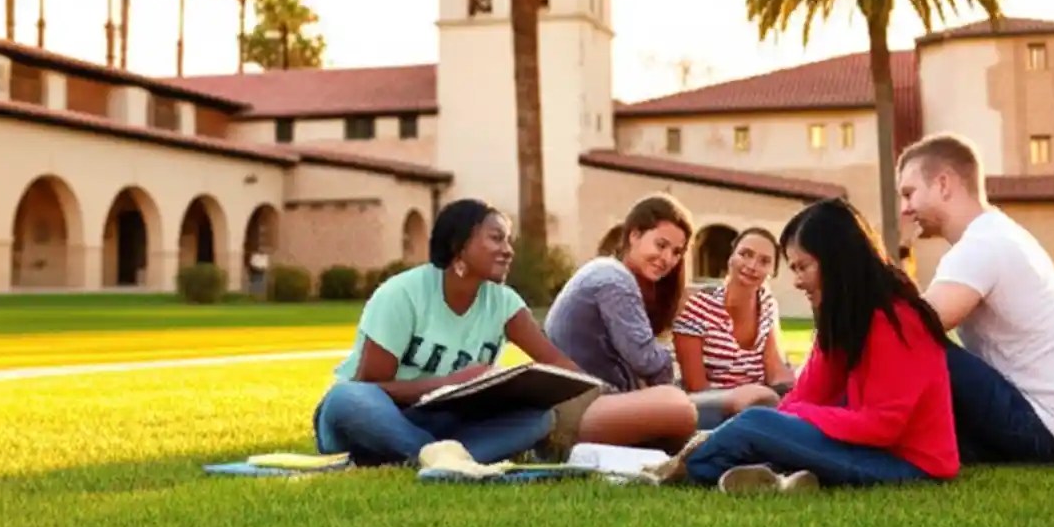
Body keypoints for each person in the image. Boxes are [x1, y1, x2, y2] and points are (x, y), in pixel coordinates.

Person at [682, 198, 958, 492]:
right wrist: (785, 421)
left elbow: (881, 426)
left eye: (803, 267)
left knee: (751, 425)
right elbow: (807, 394)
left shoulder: (896, 319)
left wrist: (788, 419)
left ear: (835, 260)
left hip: (909, 464)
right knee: (761, 425)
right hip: (868, 449)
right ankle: (769, 476)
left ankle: (689, 466)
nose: (798, 282)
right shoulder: (844, 318)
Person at [311, 198, 580, 466]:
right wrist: (452, 383)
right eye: (496, 239)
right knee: (347, 398)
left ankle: (425, 457)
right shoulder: (402, 294)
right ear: (458, 246)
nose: (508, 250)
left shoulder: (505, 303)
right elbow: (370, 387)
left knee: (538, 419)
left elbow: (558, 364)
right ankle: (440, 456)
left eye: (508, 241)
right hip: (382, 416)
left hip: (448, 421)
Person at [897, 132, 1054, 464]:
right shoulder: (996, 233)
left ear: (943, 184)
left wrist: (900, 252)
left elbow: (912, 327)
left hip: (1043, 429)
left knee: (914, 343)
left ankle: (823, 424)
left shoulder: (982, 245)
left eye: (909, 194)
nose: (905, 209)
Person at [543, 194, 700, 450]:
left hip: (594, 403)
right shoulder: (614, 280)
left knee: (692, 406)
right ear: (634, 235)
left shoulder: (610, 273)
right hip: (575, 409)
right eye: (661, 245)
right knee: (680, 406)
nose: (667, 259)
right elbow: (646, 360)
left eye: (676, 252)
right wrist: (670, 369)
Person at [672, 227, 795, 429]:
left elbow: (775, 372)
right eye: (745, 254)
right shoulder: (697, 308)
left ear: (772, 272)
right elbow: (696, 388)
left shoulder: (767, 304)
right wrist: (744, 398)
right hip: (711, 409)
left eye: (764, 261)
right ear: (731, 257)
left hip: (759, 405)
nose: (752, 266)